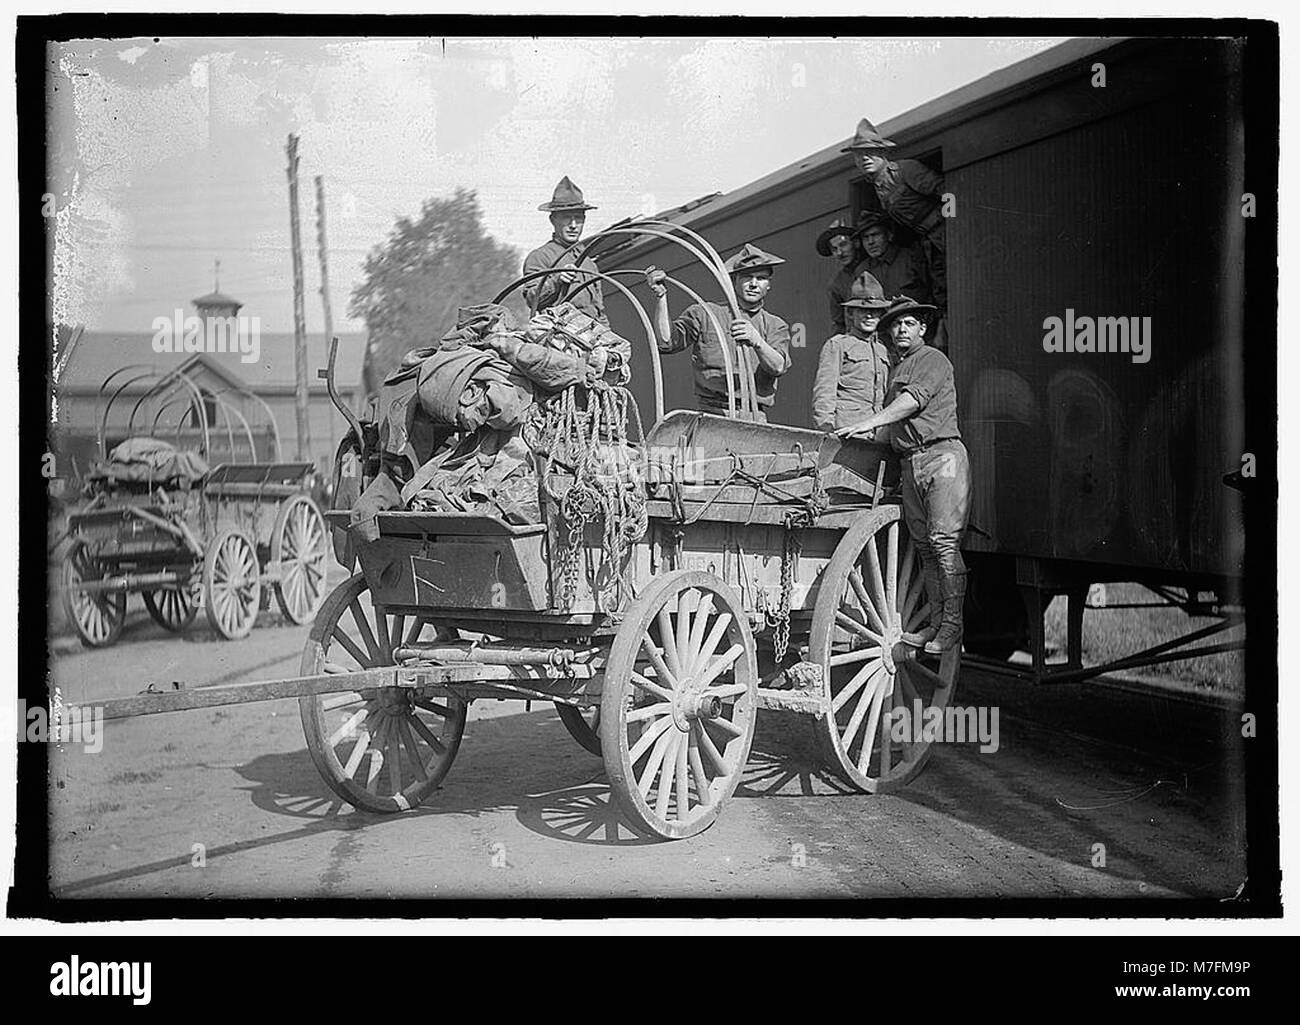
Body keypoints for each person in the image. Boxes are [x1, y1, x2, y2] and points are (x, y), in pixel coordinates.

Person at [834, 296, 970, 654]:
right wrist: (860, 434)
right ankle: (936, 625)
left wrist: (871, 420)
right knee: (925, 548)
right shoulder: (899, 368)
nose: (900, 330)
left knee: (942, 544)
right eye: (895, 325)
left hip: (942, 458)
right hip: (912, 461)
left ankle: (951, 628)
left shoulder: (932, 359)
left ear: (922, 328)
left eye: (908, 323)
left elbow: (912, 402)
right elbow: (893, 427)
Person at [645, 244, 792, 421]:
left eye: (761, 278)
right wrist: (661, 297)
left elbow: (778, 366)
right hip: (711, 415)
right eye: (747, 277)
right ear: (734, 280)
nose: (754, 284)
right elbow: (667, 342)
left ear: (768, 285)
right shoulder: (705, 313)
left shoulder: (776, 325)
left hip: (755, 417)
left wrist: (757, 341)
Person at [843, 118, 947, 339]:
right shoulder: (878, 187)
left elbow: (946, 191)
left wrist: (955, 225)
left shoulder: (905, 170)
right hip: (926, 240)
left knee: (946, 286)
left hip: (943, 233)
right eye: (859, 156)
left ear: (883, 154)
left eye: (870, 153)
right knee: (937, 288)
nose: (865, 159)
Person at [812, 271, 892, 433]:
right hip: (845, 432)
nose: (869, 315)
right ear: (851, 313)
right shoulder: (837, 345)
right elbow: (824, 393)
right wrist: (826, 430)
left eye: (875, 310)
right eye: (862, 310)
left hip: (877, 432)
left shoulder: (883, 350)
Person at [522, 176, 606, 324]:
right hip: (560, 335)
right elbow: (532, 300)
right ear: (553, 220)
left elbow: (599, 310)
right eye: (567, 217)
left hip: (592, 334)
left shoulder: (588, 263)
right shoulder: (540, 257)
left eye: (578, 218)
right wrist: (556, 280)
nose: (573, 225)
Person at [855, 212, 933, 308]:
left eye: (875, 235)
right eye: (865, 238)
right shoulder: (862, 270)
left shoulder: (911, 258)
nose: (870, 242)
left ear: (889, 235)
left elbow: (932, 291)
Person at [815, 219, 865, 335]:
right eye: (834, 249)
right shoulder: (836, 284)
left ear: (856, 243)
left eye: (843, 245)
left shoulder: (874, 267)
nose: (840, 253)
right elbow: (839, 323)